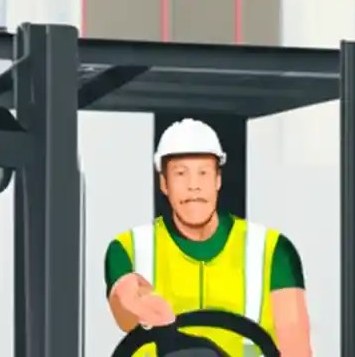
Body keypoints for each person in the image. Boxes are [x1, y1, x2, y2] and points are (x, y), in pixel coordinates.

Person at [104, 118, 313, 356]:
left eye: (203, 173)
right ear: (164, 183)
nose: (194, 185)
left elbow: (295, 346)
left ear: (218, 179)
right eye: (181, 173)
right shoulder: (129, 248)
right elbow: (124, 301)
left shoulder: (273, 250)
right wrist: (133, 303)